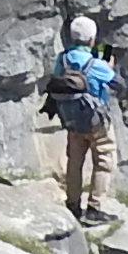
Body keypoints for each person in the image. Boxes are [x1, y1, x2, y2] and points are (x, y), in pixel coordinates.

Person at [42, 16, 119, 220]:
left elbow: (57, 78)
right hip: (96, 122)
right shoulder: (96, 64)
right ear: (92, 39)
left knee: (74, 162)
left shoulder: (63, 59)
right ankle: (95, 208)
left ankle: (73, 206)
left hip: (72, 122)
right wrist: (109, 67)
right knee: (104, 160)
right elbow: (120, 84)